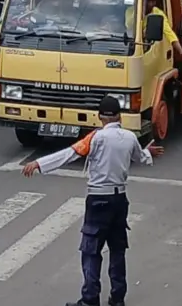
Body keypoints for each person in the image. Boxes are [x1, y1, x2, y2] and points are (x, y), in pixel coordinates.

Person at [22, 95, 162, 306]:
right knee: (117, 249)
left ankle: (90, 299)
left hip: (98, 199)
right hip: (119, 199)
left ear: (99, 116)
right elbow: (140, 158)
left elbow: (69, 154)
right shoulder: (129, 137)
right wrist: (148, 152)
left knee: (91, 250)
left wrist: (39, 163)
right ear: (119, 116)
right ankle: (117, 298)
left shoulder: (96, 138)